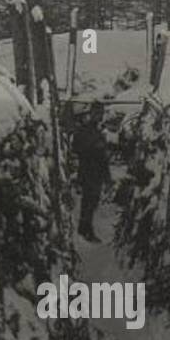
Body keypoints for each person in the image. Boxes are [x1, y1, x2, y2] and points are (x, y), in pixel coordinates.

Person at [72, 101, 110, 242]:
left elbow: (104, 157)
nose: (99, 116)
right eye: (96, 113)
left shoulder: (98, 131)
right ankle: (85, 229)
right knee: (88, 202)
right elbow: (76, 148)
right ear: (91, 114)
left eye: (100, 113)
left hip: (97, 172)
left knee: (92, 202)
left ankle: (85, 228)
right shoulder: (84, 130)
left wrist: (107, 177)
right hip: (88, 171)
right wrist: (93, 147)